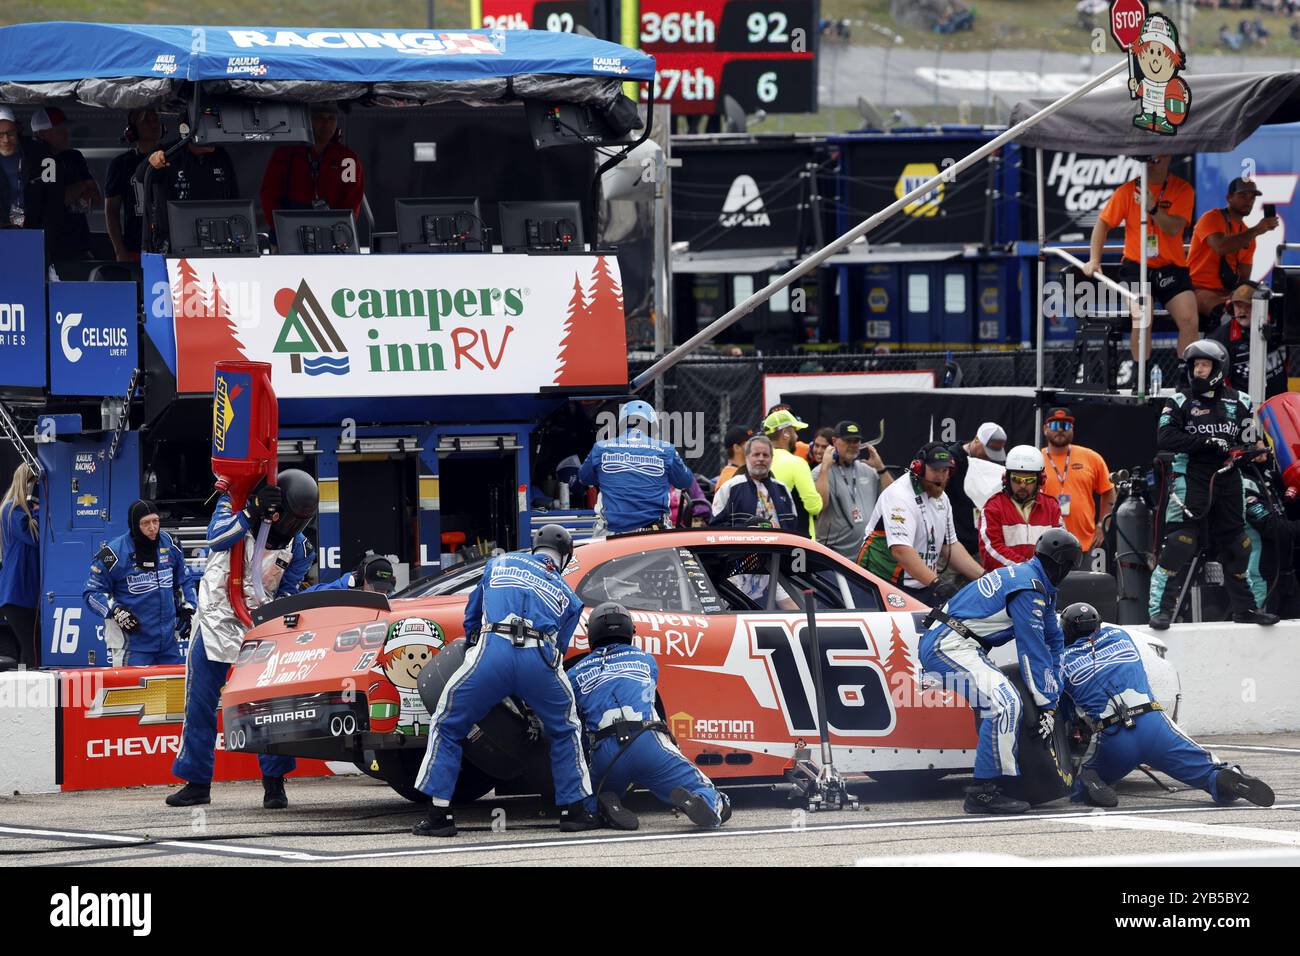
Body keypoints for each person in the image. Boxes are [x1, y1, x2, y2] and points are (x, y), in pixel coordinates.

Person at [412, 525, 598, 837]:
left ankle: (439, 815)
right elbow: (560, 650)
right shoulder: (569, 595)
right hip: (539, 656)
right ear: (564, 557)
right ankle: (573, 812)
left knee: (447, 722)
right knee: (566, 728)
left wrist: (475, 647)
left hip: (493, 648)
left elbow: (472, 616)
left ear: (535, 547)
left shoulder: (498, 563)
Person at [167, 472, 317, 810]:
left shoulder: (301, 546)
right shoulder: (233, 505)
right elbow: (216, 539)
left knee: (271, 707)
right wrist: (250, 512)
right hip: (216, 620)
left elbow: (290, 590)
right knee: (199, 704)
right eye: (290, 517)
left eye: (301, 521)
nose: (293, 526)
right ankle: (197, 782)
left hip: (260, 627)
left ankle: (274, 783)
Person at [918, 529, 1081, 814]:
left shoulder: (1037, 583)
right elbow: (1031, 651)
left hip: (960, 643)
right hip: (947, 644)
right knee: (1004, 702)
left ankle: (997, 781)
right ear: (1063, 565)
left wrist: (1051, 695)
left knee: (1002, 701)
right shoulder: (1029, 589)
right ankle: (983, 792)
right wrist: (1047, 703)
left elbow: (1053, 641)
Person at [1059, 602, 1274, 808]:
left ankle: (1090, 782)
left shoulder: (1062, 662)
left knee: (1081, 782)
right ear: (1097, 625)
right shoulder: (1120, 636)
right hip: (1152, 722)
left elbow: (1064, 710)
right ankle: (1225, 780)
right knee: (1205, 769)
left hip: (1113, 734)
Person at [1147, 339, 1278, 629]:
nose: (1199, 370)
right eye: (1195, 365)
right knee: (1181, 543)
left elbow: (1248, 441)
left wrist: (1256, 454)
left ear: (1218, 368)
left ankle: (1245, 609)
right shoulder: (1179, 401)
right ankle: (1160, 610)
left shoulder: (1240, 401)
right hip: (1191, 477)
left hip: (1230, 479)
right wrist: (1205, 442)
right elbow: (1165, 438)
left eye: (1205, 365)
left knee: (1239, 545)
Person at [569, 602, 730, 831]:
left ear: (591, 633)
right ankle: (706, 801)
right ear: (630, 632)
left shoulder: (575, 673)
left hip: (605, 753)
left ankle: (600, 804)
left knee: (586, 800)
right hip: (646, 741)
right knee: (710, 791)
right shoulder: (646, 660)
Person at [1083, 154, 1198, 361]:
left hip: (1171, 268)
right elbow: (1102, 224)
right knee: (1142, 316)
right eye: (1146, 160)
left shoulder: (1182, 189)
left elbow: (1173, 229)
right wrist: (1094, 259)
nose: (1151, 165)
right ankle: (1140, 376)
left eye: (1156, 160)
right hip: (1136, 267)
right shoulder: (1126, 191)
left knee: (1190, 319)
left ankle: (1186, 375)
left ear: (1168, 159)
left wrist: (1152, 207)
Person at [857, 441, 984, 604]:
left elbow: (950, 545)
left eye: (946, 470)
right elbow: (901, 551)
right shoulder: (899, 496)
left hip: (920, 583)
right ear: (918, 468)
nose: (941, 476)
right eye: (935, 470)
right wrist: (937, 584)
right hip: (881, 582)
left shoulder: (942, 499)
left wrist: (984, 576)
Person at [83, 500, 195, 666]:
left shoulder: (171, 544)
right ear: (135, 525)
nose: (152, 527)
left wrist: (188, 609)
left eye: (155, 521)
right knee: (133, 692)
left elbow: (184, 580)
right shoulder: (113, 553)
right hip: (132, 646)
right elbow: (91, 594)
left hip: (168, 644)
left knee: (173, 692)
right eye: (145, 523)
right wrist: (115, 610)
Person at [579, 400, 694, 535]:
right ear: (652, 425)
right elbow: (685, 481)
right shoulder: (666, 449)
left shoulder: (601, 447)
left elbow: (584, 478)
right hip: (653, 533)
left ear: (621, 423)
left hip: (611, 534)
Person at [259, 101, 365, 242]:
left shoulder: (347, 159)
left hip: (332, 234)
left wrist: (341, 230)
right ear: (307, 120)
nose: (326, 123)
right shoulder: (285, 154)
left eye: (331, 118)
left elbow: (353, 199)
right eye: (319, 117)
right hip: (289, 232)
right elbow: (269, 195)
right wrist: (279, 229)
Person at [1187, 178, 1279, 321]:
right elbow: (1220, 247)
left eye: (1252, 197)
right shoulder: (1211, 218)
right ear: (1229, 197)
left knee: (1267, 312)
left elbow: (1244, 278)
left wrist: (1239, 294)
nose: (1248, 201)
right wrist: (1256, 230)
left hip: (1228, 294)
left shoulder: (1249, 235)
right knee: (1228, 315)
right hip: (1198, 289)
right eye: (1243, 195)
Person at [136, 137, 239, 253]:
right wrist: (152, 161)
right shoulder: (168, 152)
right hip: (174, 246)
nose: (213, 137)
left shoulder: (221, 156)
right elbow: (140, 175)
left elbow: (235, 200)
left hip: (218, 243)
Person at [1039, 407, 1115, 557]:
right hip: (1045, 546)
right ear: (1045, 429)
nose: (1060, 430)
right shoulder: (1036, 459)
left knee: (1090, 581)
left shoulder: (1091, 458)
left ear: (1072, 429)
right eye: (1055, 425)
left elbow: (1109, 491)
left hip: (1086, 545)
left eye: (1065, 425)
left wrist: (1103, 525)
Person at [812, 420, 892, 560]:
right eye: (848, 441)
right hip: (834, 557)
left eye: (856, 441)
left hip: (865, 556)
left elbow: (892, 498)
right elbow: (819, 505)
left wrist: (881, 468)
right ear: (835, 441)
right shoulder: (820, 472)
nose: (853, 445)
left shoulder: (867, 470)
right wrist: (825, 467)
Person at [977, 445, 1064, 572]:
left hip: (1044, 584)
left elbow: (1060, 547)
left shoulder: (1052, 506)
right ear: (1007, 478)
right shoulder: (993, 507)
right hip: (1007, 586)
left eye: (1029, 480)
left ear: (1040, 480)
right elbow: (991, 551)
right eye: (1016, 479)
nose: (1022, 485)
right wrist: (1029, 570)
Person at [30, 107, 100, 262]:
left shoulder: (74, 157)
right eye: (59, 129)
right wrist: (81, 187)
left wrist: (70, 197)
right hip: (47, 248)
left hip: (79, 245)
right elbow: (54, 202)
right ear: (41, 134)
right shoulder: (33, 161)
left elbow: (96, 199)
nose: (66, 133)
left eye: (65, 128)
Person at [0, 105, 61, 260]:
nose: (6, 140)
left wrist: (47, 239)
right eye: (0, 135)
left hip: (36, 235)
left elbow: (54, 198)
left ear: (17, 130)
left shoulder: (40, 153)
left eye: (10, 133)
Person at [1208, 284, 1288, 398]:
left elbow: (1287, 359)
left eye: (1248, 306)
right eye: (1238, 306)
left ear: (1261, 306)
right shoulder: (1220, 338)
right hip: (1243, 406)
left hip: (1279, 401)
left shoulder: (1278, 326)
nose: (1242, 311)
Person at [1242, 462, 1300, 619]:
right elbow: (1272, 528)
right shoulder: (1243, 482)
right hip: (1262, 577)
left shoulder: (1271, 476)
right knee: (1259, 636)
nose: (1265, 448)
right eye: (1257, 440)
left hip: (1288, 575)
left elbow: (1289, 510)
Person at [104, 108, 163, 262]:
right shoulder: (120, 164)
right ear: (132, 131)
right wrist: (119, 251)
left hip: (170, 246)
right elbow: (111, 211)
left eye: (155, 119)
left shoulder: (174, 156)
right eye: (146, 121)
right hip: (135, 248)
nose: (153, 125)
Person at [710, 435, 799, 532]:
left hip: (778, 546)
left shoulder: (782, 489)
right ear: (747, 457)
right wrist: (744, 532)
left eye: (765, 455)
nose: (761, 459)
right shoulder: (730, 487)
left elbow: (793, 526)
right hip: (742, 546)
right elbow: (716, 526)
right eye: (756, 454)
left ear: (771, 458)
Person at [0, 463, 41, 667]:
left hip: (28, 594)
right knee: (31, 649)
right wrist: (39, 510)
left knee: (34, 648)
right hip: (17, 594)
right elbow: (33, 537)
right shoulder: (12, 510)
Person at [947, 421, 1007, 556]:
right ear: (976, 440)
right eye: (987, 451)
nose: (990, 457)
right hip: (951, 546)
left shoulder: (994, 464)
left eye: (995, 453)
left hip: (979, 545)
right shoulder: (951, 460)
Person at [763, 409, 823, 538]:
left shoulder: (757, 463)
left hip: (767, 539)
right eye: (794, 431)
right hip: (798, 542)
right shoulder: (797, 463)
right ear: (785, 434)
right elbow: (814, 507)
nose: (797, 437)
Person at [306, 553, 396, 594]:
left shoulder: (390, 598)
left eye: (384, 589)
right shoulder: (339, 589)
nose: (381, 593)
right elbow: (305, 597)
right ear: (360, 579)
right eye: (376, 588)